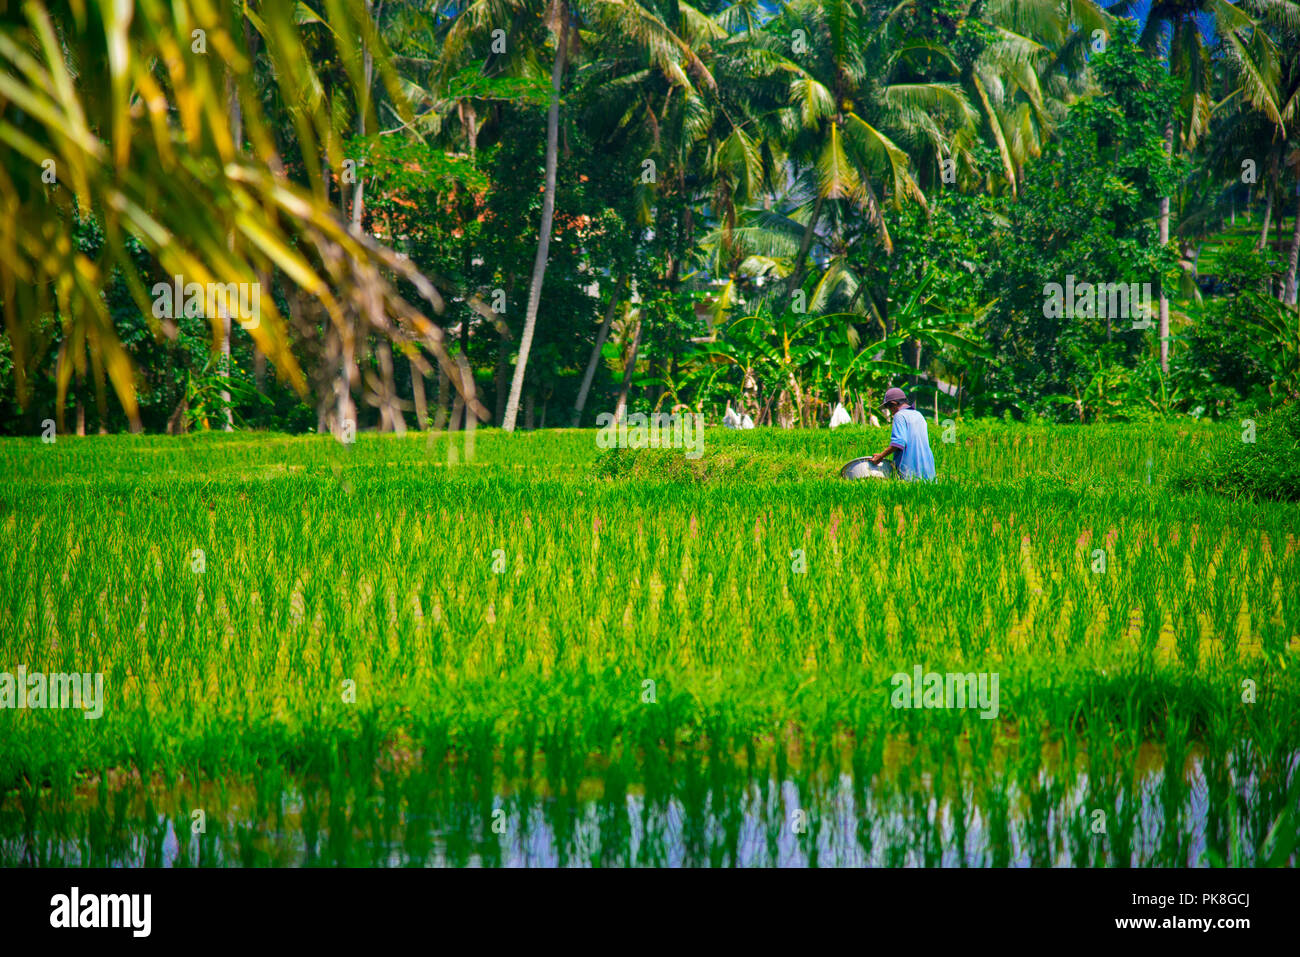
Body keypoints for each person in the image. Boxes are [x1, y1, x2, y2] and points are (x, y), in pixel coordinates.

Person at [869, 387, 935, 480]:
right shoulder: (918, 415)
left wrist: (880, 456)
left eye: (889, 408)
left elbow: (898, 443)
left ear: (894, 404)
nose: (891, 413)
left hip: (910, 471)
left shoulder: (899, 415)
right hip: (928, 469)